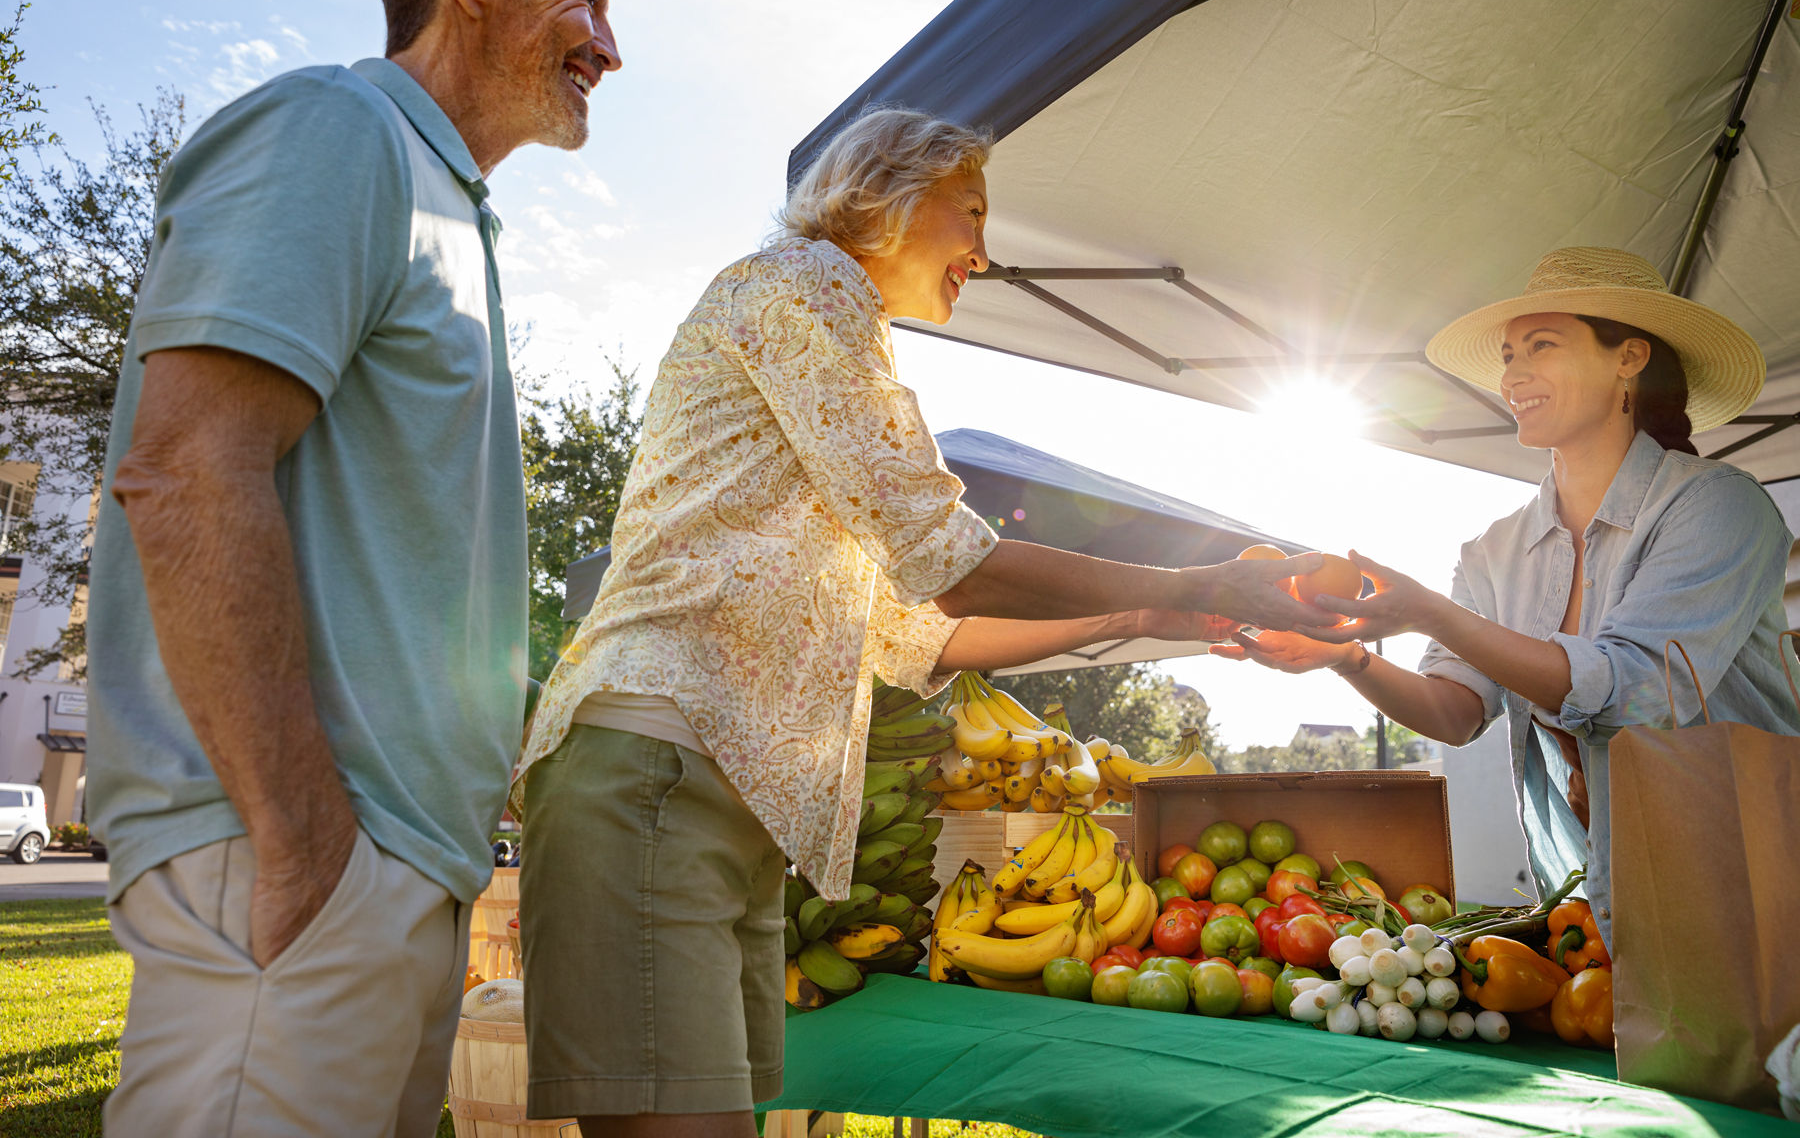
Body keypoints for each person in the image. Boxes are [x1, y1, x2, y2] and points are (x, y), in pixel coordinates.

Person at [515, 105, 1335, 1137]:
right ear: (891, 196)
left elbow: (924, 636)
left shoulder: (840, 345)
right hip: (660, 768)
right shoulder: (802, 289)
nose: (984, 255)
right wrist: (1199, 583)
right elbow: (951, 563)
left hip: (717, 798)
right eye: (972, 211)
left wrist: (1132, 610)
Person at [87, 0, 621, 1134]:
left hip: (391, 881)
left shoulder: (449, 205)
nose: (608, 45)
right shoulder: (341, 130)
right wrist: (303, 844)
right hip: (300, 873)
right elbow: (185, 471)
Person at [1215, 246, 1798, 946]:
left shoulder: (1718, 507)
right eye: (1508, 355)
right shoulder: (1492, 551)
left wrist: (1433, 612)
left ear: (1629, 358)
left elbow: (1642, 693)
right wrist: (1345, 657)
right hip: (1604, 902)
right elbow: (1456, 713)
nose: (1512, 375)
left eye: (1541, 347)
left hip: (1756, 881)